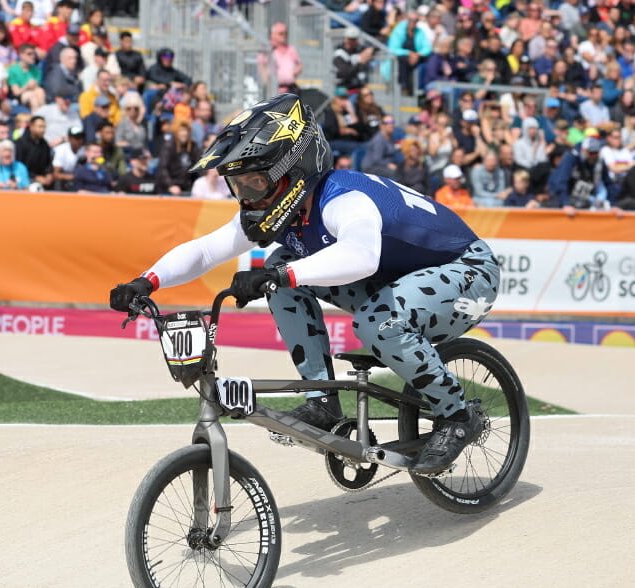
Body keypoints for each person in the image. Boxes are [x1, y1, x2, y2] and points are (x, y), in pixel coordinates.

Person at [109, 93, 499, 475]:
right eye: (237, 186)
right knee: (282, 267)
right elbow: (207, 251)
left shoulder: (344, 199)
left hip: (468, 270)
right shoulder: (276, 207)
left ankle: (458, 416)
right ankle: (322, 400)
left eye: (254, 182)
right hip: (395, 277)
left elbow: (361, 256)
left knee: (371, 318)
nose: (244, 197)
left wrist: (281, 274)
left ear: (290, 172)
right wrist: (147, 281)